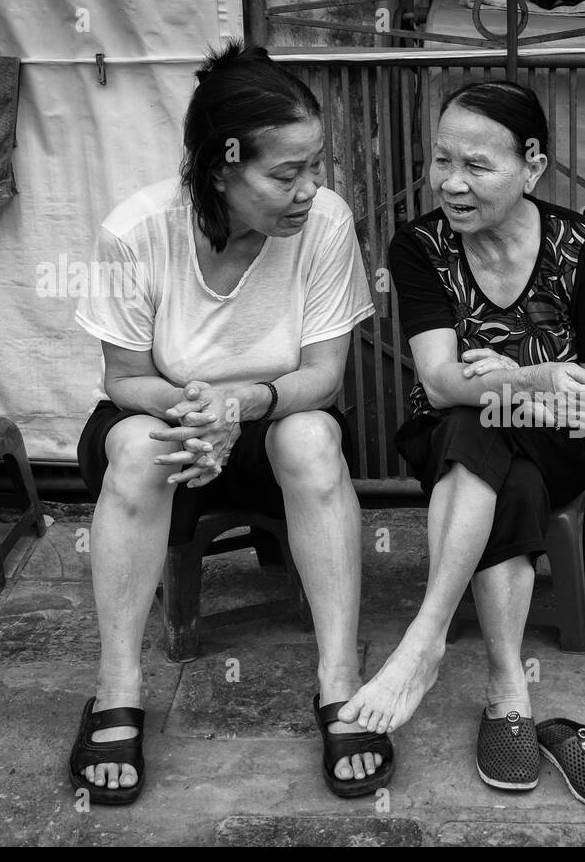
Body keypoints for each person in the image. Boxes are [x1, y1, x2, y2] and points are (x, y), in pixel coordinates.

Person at [70, 42, 387, 802]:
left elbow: (323, 376)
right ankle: (118, 690)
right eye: (286, 174)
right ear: (220, 166)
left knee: (312, 437)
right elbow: (122, 378)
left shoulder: (327, 224)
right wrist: (196, 417)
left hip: (277, 422)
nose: (310, 189)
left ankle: (339, 682)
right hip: (163, 421)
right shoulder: (134, 232)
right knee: (143, 451)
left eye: (317, 166)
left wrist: (239, 405)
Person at [335, 81, 585, 801]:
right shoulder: (421, 246)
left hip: (562, 439)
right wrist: (536, 378)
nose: (451, 183)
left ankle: (425, 642)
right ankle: (506, 690)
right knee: (484, 436)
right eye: (441, 162)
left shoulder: (579, 243)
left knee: (491, 424)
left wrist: (515, 380)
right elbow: (439, 384)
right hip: (448, 434)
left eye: (475, 165)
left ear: (532, 166)